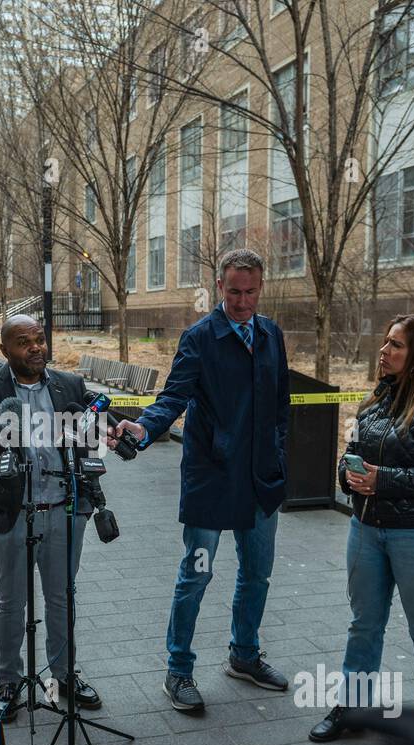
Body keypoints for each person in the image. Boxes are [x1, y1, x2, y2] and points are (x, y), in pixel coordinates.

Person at [109, 249, 290, 712]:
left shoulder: (271, 335)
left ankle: (244, 656)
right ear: (219, 287)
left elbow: (281, 406)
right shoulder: (200, 338)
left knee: (257, 575)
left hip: (260, 481)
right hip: (212, 478)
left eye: (250, 292)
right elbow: (174, 397)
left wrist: (278, 455)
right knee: (197, 575)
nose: (243, 301)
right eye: (234, 291)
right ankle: (179, 671)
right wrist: (145, 428)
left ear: (261, 288)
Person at [309, 314, 414, 743]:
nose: (384, 351)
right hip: (366, 531)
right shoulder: (376, 400)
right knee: (364, 626)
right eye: (385, 342)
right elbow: (352, 454)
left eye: (396, 345)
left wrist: (384, 480)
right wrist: (348, 475)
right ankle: (353, 711)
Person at [0, 315, 103, 722]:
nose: (36, 347)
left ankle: (64, 675)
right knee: (11, 603)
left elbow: (88, 446)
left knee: (62, 596)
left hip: (63, 513)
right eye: (24, 342)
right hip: (11, 518)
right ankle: (10, 681)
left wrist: (85, 506)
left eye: (39, 338)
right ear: (4, 350)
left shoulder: (69, 387)